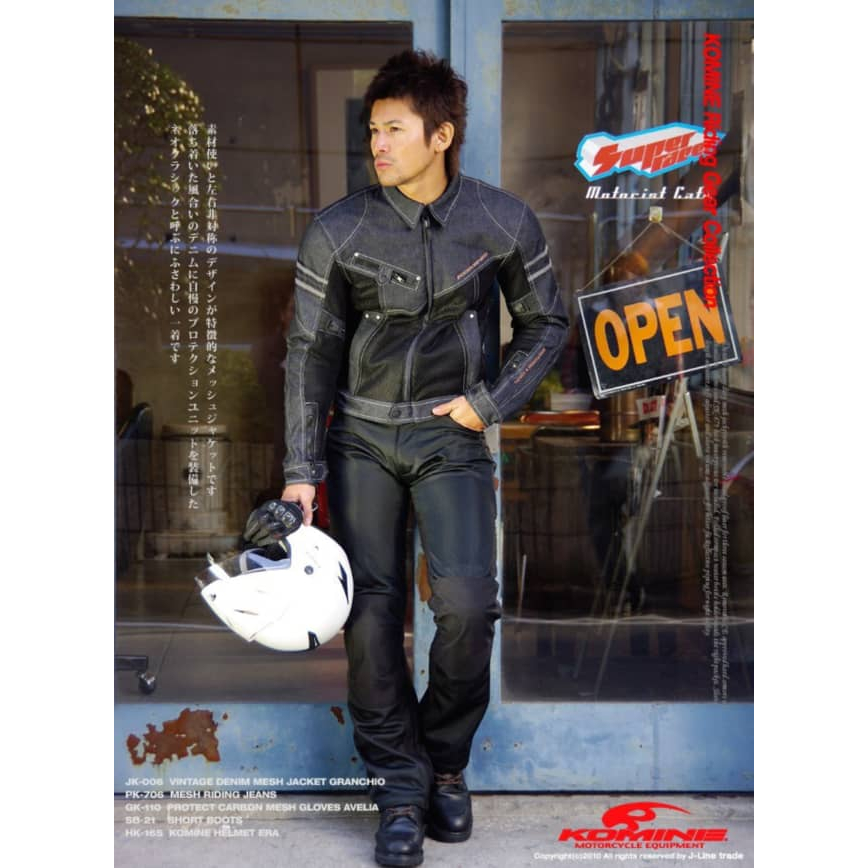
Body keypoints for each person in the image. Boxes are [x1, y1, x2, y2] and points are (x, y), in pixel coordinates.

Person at [279, 50, 568, 867]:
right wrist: (302, 471)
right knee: (371, 616)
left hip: (453, 437)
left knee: (468, 606)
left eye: (395, 130)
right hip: (362, 438)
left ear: (440, 136)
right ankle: (400, 790)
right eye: (373, 129)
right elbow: (308, 354)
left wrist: (489, 403)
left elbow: (547, 324)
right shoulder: (338, 229)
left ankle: (444, 762)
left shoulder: (501, 221)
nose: (377, 144)